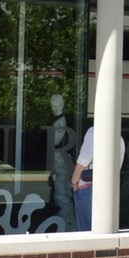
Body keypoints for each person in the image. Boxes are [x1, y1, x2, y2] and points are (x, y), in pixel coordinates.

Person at [70, 124, 126, 232]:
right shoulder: (119, 138)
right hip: (107, 191)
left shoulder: (94, 132)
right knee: (103, 230)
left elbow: (83, 159)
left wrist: (73, 182)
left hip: (87, 188)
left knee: (85, 230)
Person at [50, 94, 77, 229]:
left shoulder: (60, 122)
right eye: (52, 104)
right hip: (59, 160)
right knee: (62, 192)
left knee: (61, 193)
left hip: (60, 160)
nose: (54, 107)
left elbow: (55, 141)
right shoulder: (59, 121)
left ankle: (67, 223)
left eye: (57, 104)